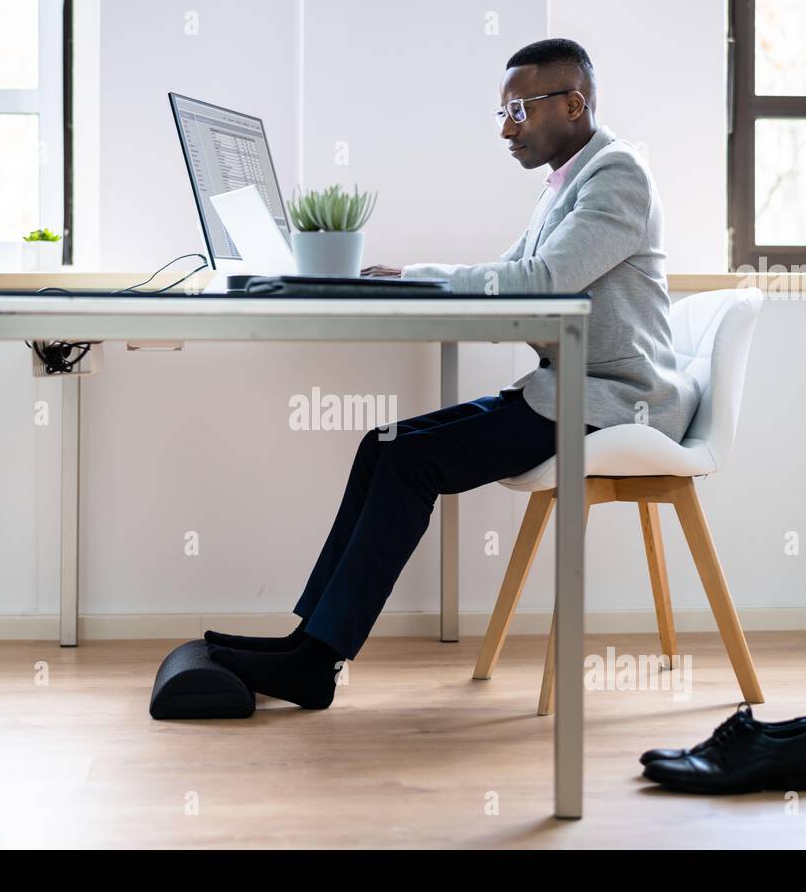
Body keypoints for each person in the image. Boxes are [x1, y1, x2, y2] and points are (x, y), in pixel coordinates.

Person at [204, 38, 698, 710]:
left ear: (576, 102)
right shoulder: (565, 185)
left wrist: (412, 277)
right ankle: (308, 644)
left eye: (519, 109)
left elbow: (543, 282)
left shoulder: (618, 177)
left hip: (612, 402)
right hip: (569, 389)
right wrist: (409, 282)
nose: (506, 128)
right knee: (383, 446)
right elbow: (515, 275)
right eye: (502, 112)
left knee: (409, 462)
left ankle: (316, 663)